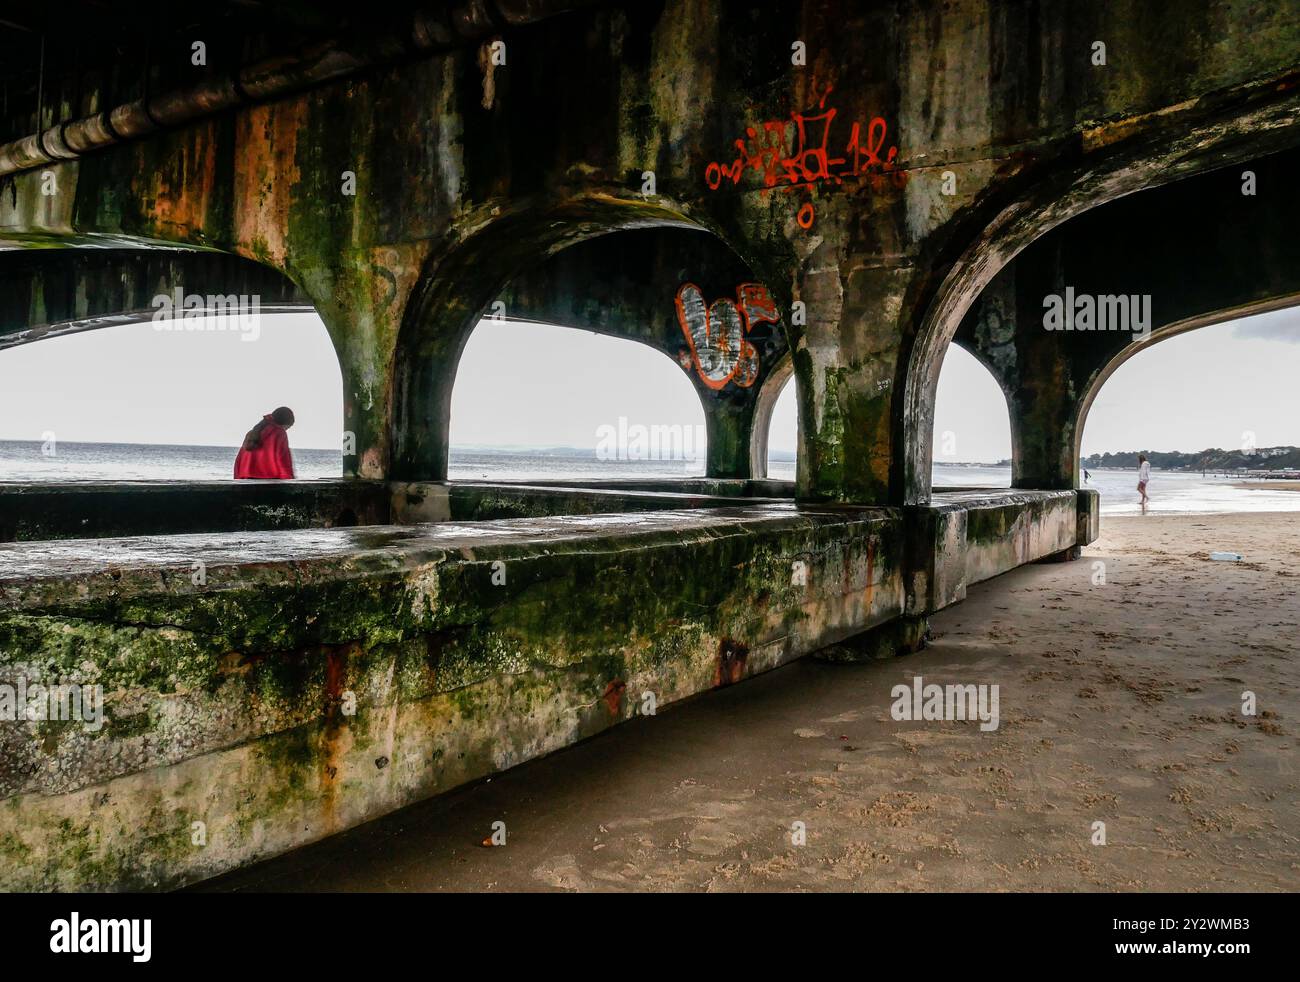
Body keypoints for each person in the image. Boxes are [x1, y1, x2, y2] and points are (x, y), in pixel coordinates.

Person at [234, 407, 296, 479]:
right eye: (288, 428)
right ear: (284, 424)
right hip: (267, 483)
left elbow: (238, 461)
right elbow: (283, 461)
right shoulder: (279, 433)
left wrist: (237, 480)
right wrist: (290, 481)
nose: (286, 430)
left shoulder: (253, 433)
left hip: (245, 481)